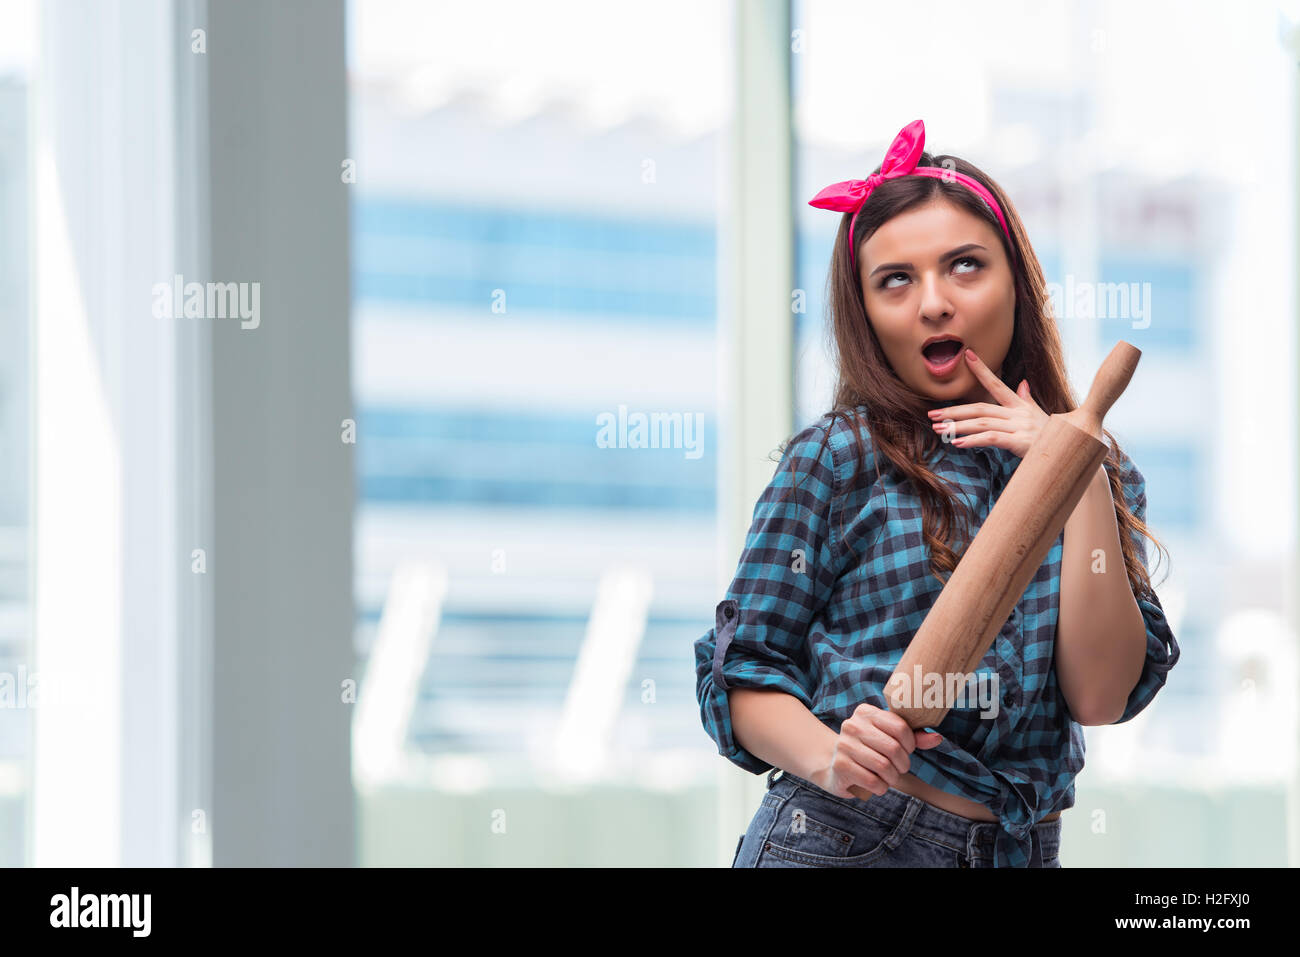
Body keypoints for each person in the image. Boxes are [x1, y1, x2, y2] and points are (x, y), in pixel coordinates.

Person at [694, 119, 1180, 868]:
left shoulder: (1098, 474)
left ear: (1017, 282)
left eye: (964, 266)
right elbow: (743, 675)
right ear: (867, 314)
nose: (933, 303)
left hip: (1020, 848)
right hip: (847, 838)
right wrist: (832, 754)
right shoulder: (837, 459)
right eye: (897, 279)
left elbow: (1099, 696)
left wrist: (1074, 472)